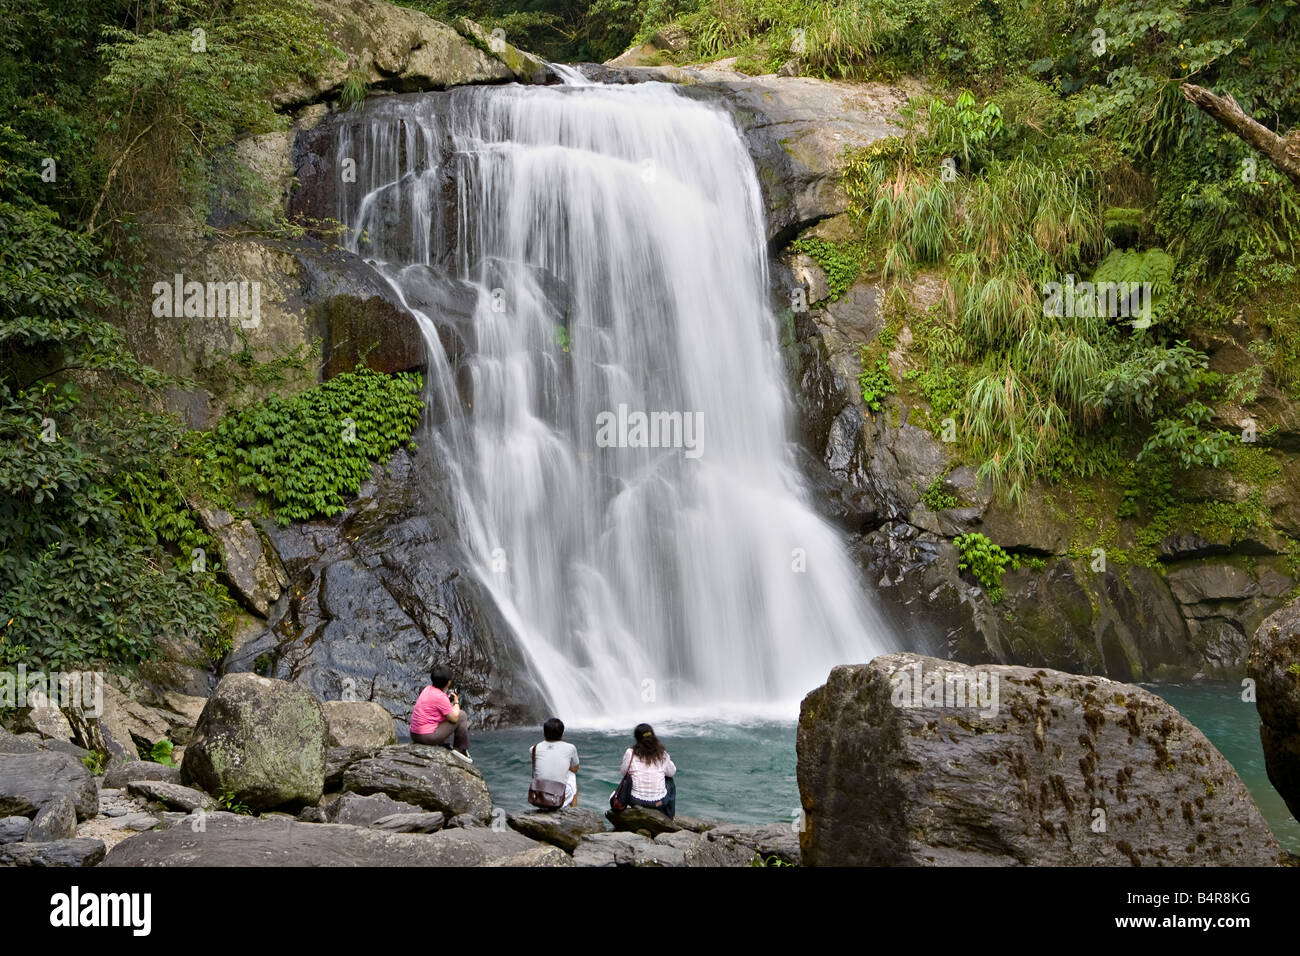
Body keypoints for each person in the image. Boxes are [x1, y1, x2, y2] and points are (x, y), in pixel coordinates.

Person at [410, 666, 471, 762]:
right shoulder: (440, 697)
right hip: (426, 737)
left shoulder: (427, 689)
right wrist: (456, 702)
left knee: (443, 714)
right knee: (462, 715)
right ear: (448, 683)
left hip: (414, 734)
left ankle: (444, 744)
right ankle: (460, 749)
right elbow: (454, 718)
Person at [619, 723, 676, 818]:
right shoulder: (662, 754)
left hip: (636, 801)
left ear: (637, 738)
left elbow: (623, 772)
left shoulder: (630, 753)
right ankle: (669, 815)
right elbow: (672, 772)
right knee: (669, 780)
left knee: (629, 776)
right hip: (659, 802)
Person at [530, 717, 580, 809]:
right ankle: (574, 811)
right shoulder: (570, 748)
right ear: (562, 734)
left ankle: (544, 806)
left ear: (544, 733)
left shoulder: (534, 749)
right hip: (558, 797)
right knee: (571, 775)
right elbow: (575, 769)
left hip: (538, 796)